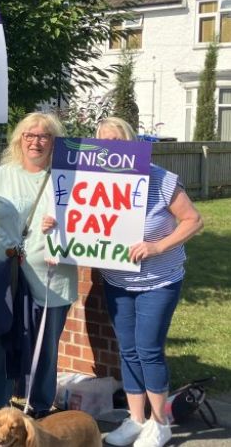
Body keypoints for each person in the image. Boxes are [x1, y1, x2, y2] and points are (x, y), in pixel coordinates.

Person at [77, 117, 200, 447]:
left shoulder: (160, 179)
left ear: (132, 144)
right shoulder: (92, 181)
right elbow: (80, 223)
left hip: (159, 280)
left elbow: (193, 220)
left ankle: (160, 424)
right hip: (118, 281)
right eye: (103, 142)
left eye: (117, 141)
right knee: (127, 351)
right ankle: (135, 419)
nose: (111, 148)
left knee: (148, 350)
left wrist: (157, 246)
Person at [0, 112, 78, 424]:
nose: (36, 141)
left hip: (53, 278)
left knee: (46, 347)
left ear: (54, 141)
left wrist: (62, 225)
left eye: (44, 136)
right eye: (29, 135)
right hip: (8, 276)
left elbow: (89, 225)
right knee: (4, 343)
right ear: (19, 139)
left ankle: (40, 410)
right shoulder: (3, 174)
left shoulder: (68, 177)